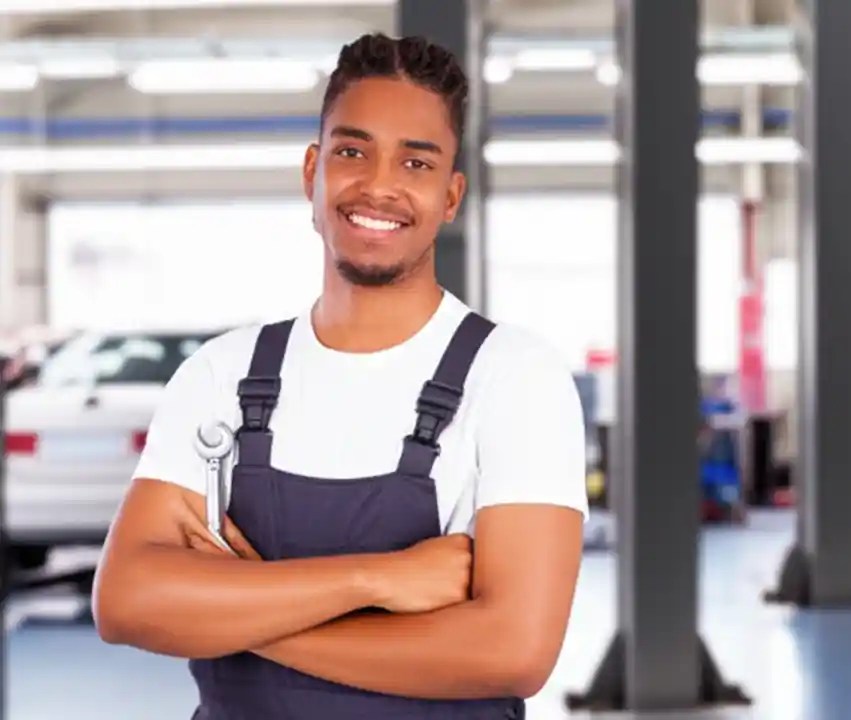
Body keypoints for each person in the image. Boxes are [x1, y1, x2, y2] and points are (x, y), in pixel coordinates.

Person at [92, 32, 587, 719]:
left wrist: (241, 610)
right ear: (311, 172)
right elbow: (126, 603)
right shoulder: (220, 377)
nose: (379, 184)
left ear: (450, 196)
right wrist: (378, 578)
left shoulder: (515, 379)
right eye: (352, 152)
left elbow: (511, 651)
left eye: (416, 162)